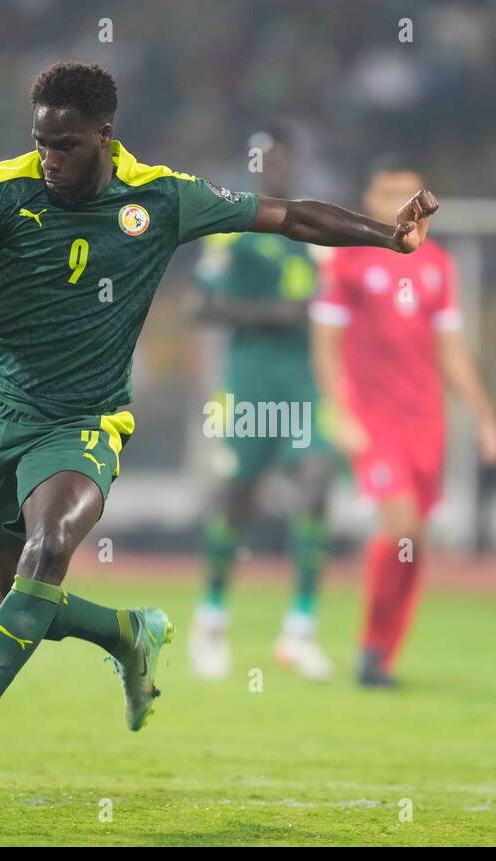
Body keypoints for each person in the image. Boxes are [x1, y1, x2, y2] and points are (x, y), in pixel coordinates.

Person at [0, 63, 439, 792]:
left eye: (66, 145)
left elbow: (290, 215)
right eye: (41, 143)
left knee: (46, 549)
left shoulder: (163, 198)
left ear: (105, 135)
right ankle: (123, 632)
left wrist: (387, 237)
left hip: (85, 420)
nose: (49, 158)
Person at [311, 156, 496, 687]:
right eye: (388, 191)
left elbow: (452, 350)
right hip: (374, 420)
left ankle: (386, 651)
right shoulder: (346, 262)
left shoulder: (438, 264)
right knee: (396, 523)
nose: (399, 200)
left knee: (414, 539)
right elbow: (326, 346)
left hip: (426, 422)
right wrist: (340, 413)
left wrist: (485, 418)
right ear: (369, 202)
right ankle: (369, 651)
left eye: (409, 191)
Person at [189, 127, 337, 681]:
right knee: (238, 498)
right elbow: (200, 307)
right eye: (263, 158)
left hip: (302, 381)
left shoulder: (315, 225)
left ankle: (300, 630)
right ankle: (212, 618)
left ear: (293, 162)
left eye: (280, 157)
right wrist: (270, 314)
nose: (272, 166)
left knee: (319, 481)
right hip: (248, 381)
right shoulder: (232, 226)